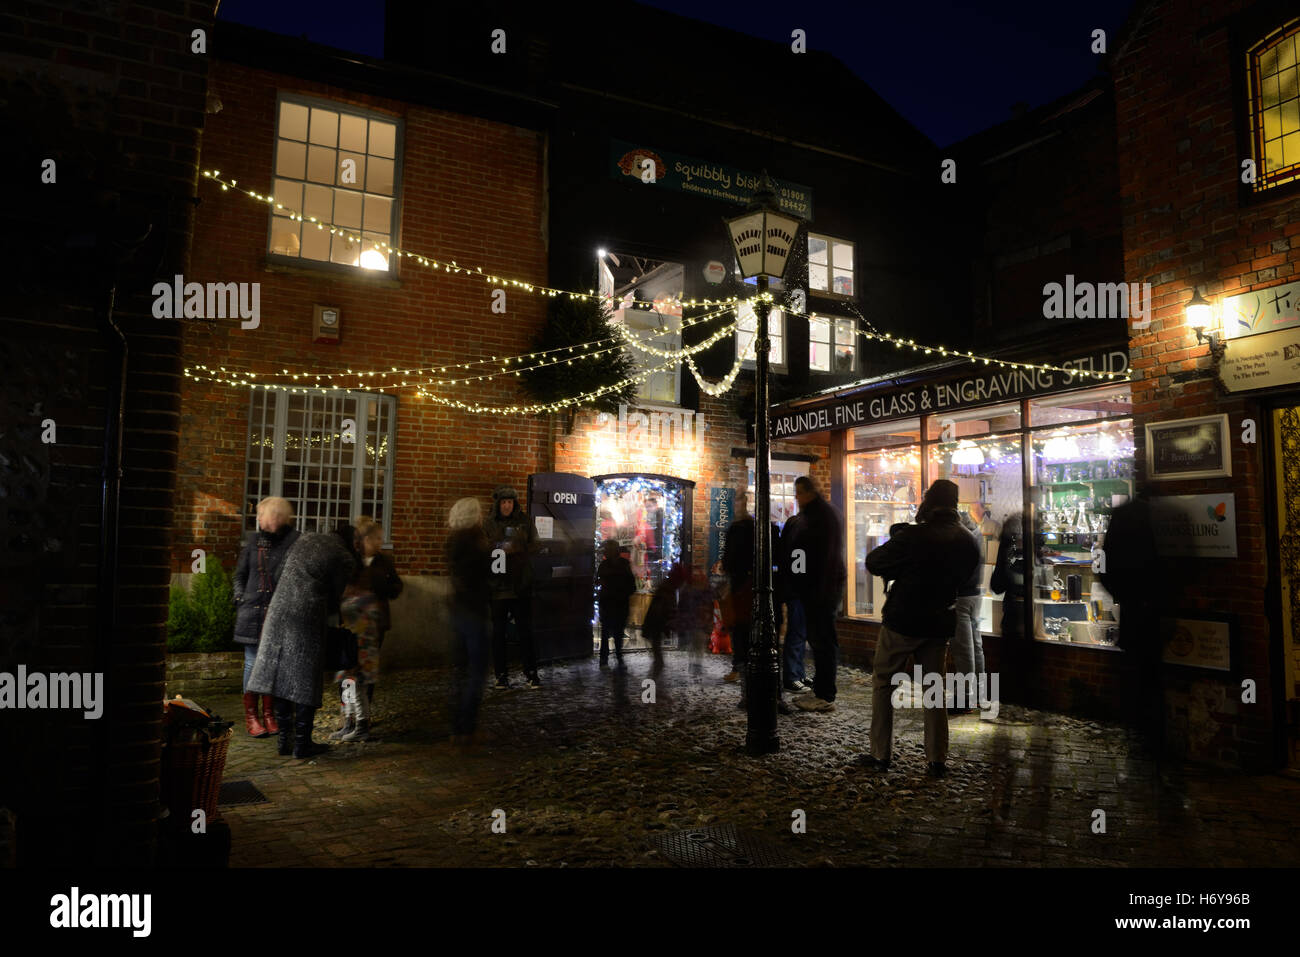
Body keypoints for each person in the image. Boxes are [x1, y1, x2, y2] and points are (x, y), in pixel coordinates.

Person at [861, 479, 980, 777]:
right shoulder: (966, 539)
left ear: (930, 502)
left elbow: (874, 562)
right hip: (940, 621)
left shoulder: (914, 536)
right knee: (935, 689)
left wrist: (903, 564)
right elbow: (965, 579)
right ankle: (937, 758)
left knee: (884, 683)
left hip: (904, 619)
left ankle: (880, 754)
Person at [248, 525, 358, 759]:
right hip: (306, 616)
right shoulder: (343, 555)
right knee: (305, 679)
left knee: (280, 677)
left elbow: (277, 574)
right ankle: (302, 744)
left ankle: (284, 741)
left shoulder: (304, 540)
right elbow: (336, 595)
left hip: (278, 611)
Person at [1097, 490, 1165, 756]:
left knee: (1137, 671)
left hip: (1134, 611)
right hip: (1156, 610)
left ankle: (1140, 731)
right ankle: (1153, 734)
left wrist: (1124, 596)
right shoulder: (1161, 513)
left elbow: (1105, 567)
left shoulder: (1124, 515)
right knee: (1153, 673)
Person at [329, 518, 403, 743]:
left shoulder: (383, 561)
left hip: (374, 623)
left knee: (363, 673)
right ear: (364, 540)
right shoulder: (352, 560)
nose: (380, 542)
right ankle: (350, 718)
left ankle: (363, 719)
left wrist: (382, 588)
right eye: (377, 538)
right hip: (352, 623)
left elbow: (396, 586)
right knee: (348, 674)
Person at [232, 496, 300, 739]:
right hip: (252, 612)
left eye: (261, 514)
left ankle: (269, 714)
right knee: (252, 663)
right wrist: (240, 597)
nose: (258, 519)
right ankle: (252, 717)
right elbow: (240, 574)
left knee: (272, 664)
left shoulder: (293, 541)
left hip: (278, 614)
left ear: (274, 516)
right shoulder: (253, 541)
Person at [721, 491, 783, 709]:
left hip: (744, 592)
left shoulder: (737, 530)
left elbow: (728, 562)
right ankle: (774, 696)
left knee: (744, 642)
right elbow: (778, 560)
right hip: (766, 592)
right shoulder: (771, 530)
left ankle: (749, 695)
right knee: (769, 644)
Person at [789, 476, 846, 713]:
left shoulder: (818, 517)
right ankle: (822, 690)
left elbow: (810, 554)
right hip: (820, 588)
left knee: (822, 641)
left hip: (820, 589)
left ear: (807, 493)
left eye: (798, 493)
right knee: (820, 641)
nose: (796, 498)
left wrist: (800, 580)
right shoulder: (821, 514)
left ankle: (825, 694)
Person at [446, 497, 493, 747]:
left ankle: (457, 727)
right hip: (474, 612)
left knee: (461, 671)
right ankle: (467, 727)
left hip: (459, 611)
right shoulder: (476, 542)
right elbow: (486, 575)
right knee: (476, 672)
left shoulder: (454, 542)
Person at [483, 485, 540, 689]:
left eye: (510, 502)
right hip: (498, 586)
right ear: (498, 504)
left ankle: (531, 674)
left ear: (514, 504)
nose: (506, 506)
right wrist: (496, 548)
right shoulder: (489, 524)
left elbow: (536, 545)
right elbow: (482, 550)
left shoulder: (524, 522)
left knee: (525, 631)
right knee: (498, 634)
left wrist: (518, 548)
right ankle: (501, 675)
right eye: (503, 502)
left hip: (520, 584)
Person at [950, 507, 988, 713]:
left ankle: (965, 699)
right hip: (975, 594)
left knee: (964, 650)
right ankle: (979, 695)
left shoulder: (960, 539)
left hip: (962, 596)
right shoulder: (976, 534)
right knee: (975, 646)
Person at [777, 508, 812, 694]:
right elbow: (799, 562)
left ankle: (798, 673)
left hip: (796, 588)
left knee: (800, 632)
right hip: (799, 589)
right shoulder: (802, 526)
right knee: (797, 632)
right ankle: (792, 676)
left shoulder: (797, 524)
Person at [597, 539, 636, 668]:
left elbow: (598, 582)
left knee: (605, 632)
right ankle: (618, 657)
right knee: (618, 632)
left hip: (608, 602)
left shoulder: (604, 565)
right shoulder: (624, 564)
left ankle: (604, 659)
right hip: (620, 602)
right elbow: (631, 585)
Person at [641, 563, 685, 675]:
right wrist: (671, 624)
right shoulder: (668, 590)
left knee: (658, 657)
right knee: (658, 659)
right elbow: (663, 610)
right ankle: (651, 686)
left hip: (655, 626)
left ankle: (653, 685)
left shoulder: (667, 587)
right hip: (655, 626)